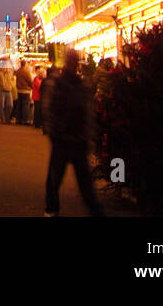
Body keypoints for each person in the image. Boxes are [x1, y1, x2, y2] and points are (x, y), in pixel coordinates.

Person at [44, 50, 105, 217]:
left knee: (75, 179)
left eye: (74, 61)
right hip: (66, 139)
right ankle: (52, 208)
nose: (73, 64)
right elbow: (51, 109)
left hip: (73, 139)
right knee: (58, 178)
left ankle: (53, 209)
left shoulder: (75, 84)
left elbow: (86, 111)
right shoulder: (68, 84)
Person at [14, 60, 33, 125]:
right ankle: (25, 120)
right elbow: (30, 81)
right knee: (25, 105)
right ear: (25, 64)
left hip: (19, 90)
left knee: (19, 105)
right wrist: (31, 87)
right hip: (26, 90)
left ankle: (18, 119)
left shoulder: (18, 71)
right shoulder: (26, 72)